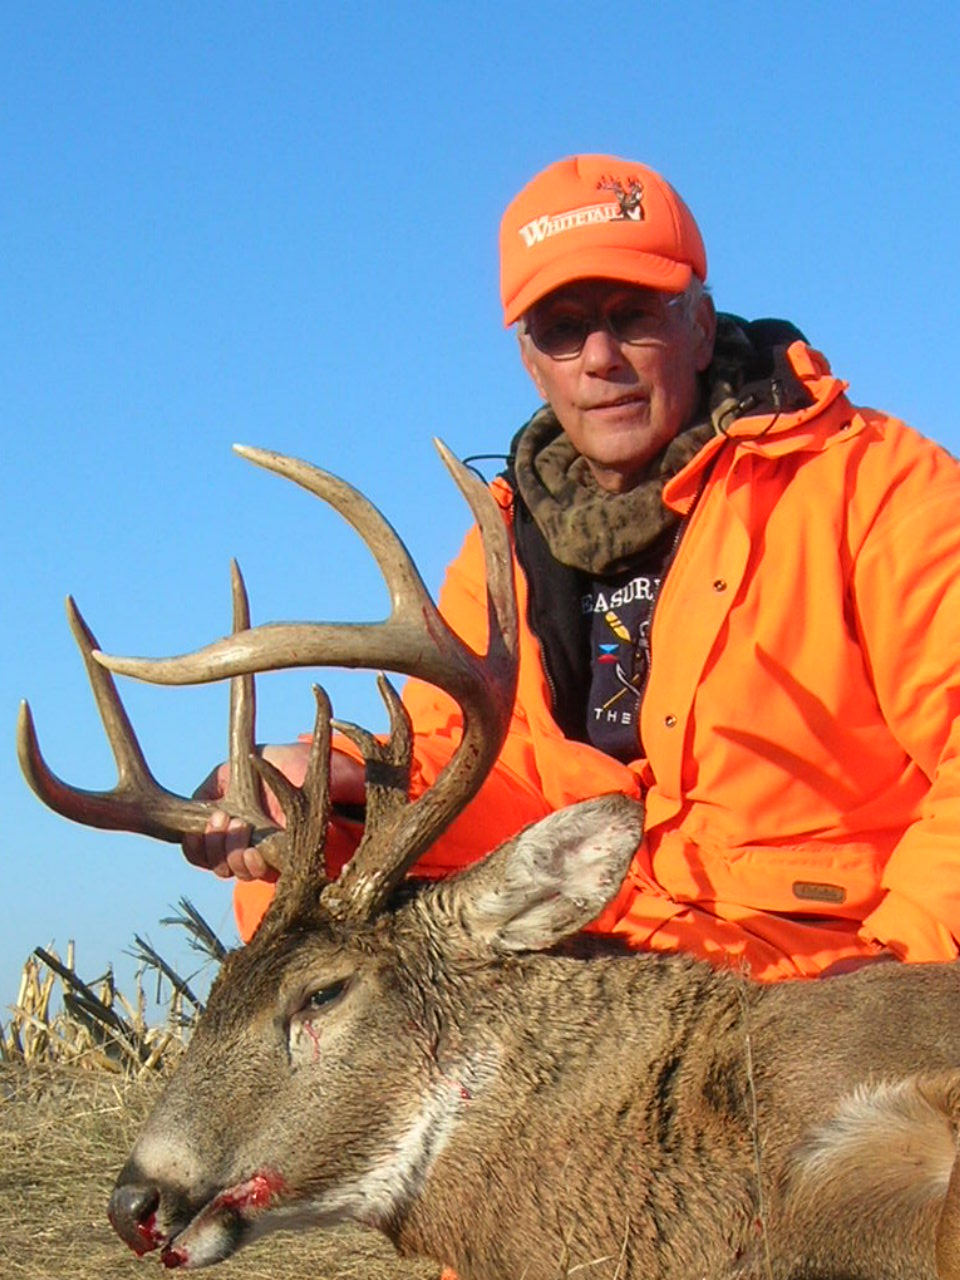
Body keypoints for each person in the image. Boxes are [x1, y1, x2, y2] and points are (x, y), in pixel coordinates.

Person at [186, 153, 960, 982]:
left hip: (816, 965)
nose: (600, 357)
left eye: (633, 316)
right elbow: (466, 758)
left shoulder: (874, 487)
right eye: (563, 329)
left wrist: (897, 984)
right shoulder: (504, 543)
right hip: (599, 950)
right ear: (532, 360)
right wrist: (332, 783)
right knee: (291, 870)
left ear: (699, 328)